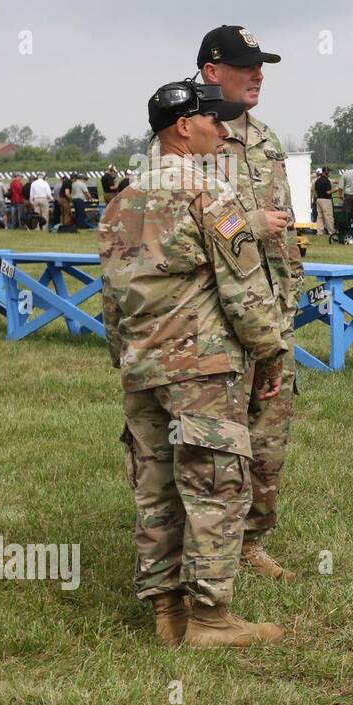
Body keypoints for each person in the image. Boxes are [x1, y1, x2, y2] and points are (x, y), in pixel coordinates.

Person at [99, 77, 288, 647]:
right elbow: (244, 290)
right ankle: (209, 619)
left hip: (142, 367)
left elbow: (111, 299)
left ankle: (166, 613)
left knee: (155, 485)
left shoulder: (121, 200)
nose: (224, 129)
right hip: (202, 370)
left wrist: (125, 358)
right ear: (185, 127)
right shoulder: (211, 194)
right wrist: (272, 353)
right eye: (213, 119)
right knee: (214, 484)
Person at [196, 24, 301, 581]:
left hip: (272, 310)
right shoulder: (187, 135)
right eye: (245, 65)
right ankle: (208, 548)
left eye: (261, 65)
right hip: (217, 320)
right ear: (213, 72)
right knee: (219, 439)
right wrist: (250, 225)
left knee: (269, 432)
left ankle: (252, 541)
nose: (258, 74)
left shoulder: (263, 137)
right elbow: (180, 217)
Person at [313, 167, 335, 236]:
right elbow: (328, 192)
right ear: (327, 172)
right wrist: (336, 190)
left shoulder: (317, 180)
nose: (330, 173)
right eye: (330, 172)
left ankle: (320, 231)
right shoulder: (327, 181)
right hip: (326, 200)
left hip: (318, 200)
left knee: (320, 217)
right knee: (328, 216)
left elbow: (315, 191)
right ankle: (331, 231)